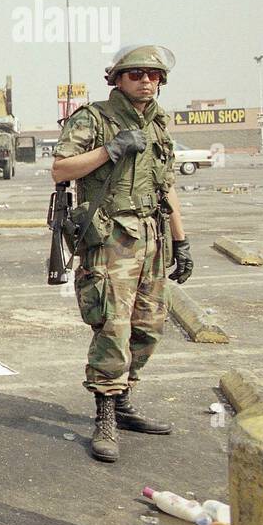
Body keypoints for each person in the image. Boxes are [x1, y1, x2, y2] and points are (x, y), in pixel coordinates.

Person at [51, 45, 192, 463]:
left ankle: (125, 400)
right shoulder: (93, 118)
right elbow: (61, 169)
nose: (146, 81)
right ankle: (106, 415)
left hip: (152, 235)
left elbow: (167, 187)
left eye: (153, 75)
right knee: (112, 328)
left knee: (149, 327)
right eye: (136, 75)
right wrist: (109, 150)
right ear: (116, 79)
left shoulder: (159, 123)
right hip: (111, 237)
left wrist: (181, 241)